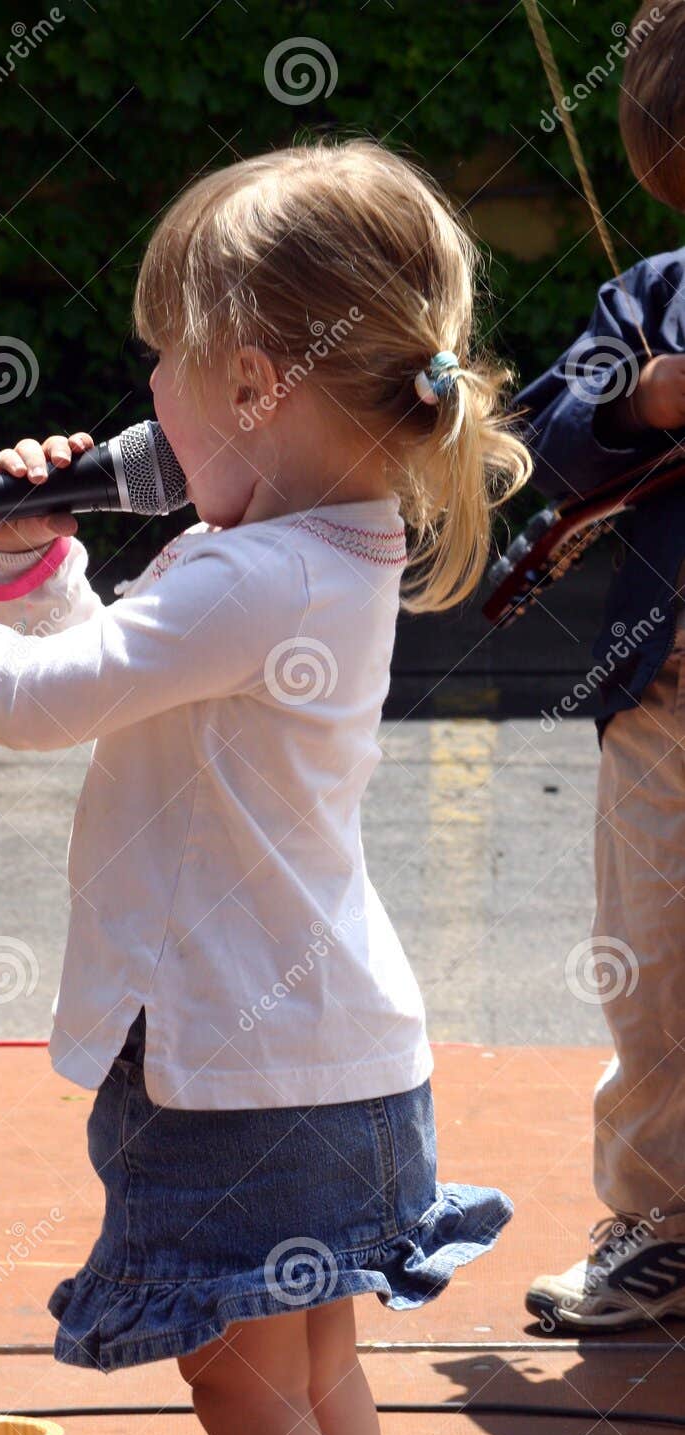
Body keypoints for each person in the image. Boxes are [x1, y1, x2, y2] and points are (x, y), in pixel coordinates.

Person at [0, 138, 527, 1435]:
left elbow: (39, 706)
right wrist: (34, 566)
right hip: (340, 1060)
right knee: (317, 1370)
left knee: (245, 1393)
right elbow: (111, 674)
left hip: (237, 1075)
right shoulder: (318, 552)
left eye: (164, 361)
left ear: (248, 387)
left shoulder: (248, 578)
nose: (143, 401)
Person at [516, 0, 685, 1333]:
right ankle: (662, 1222)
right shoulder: (652, 297)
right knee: (655, 965)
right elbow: (547, 439)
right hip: (668, 694)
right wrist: (641, 401)